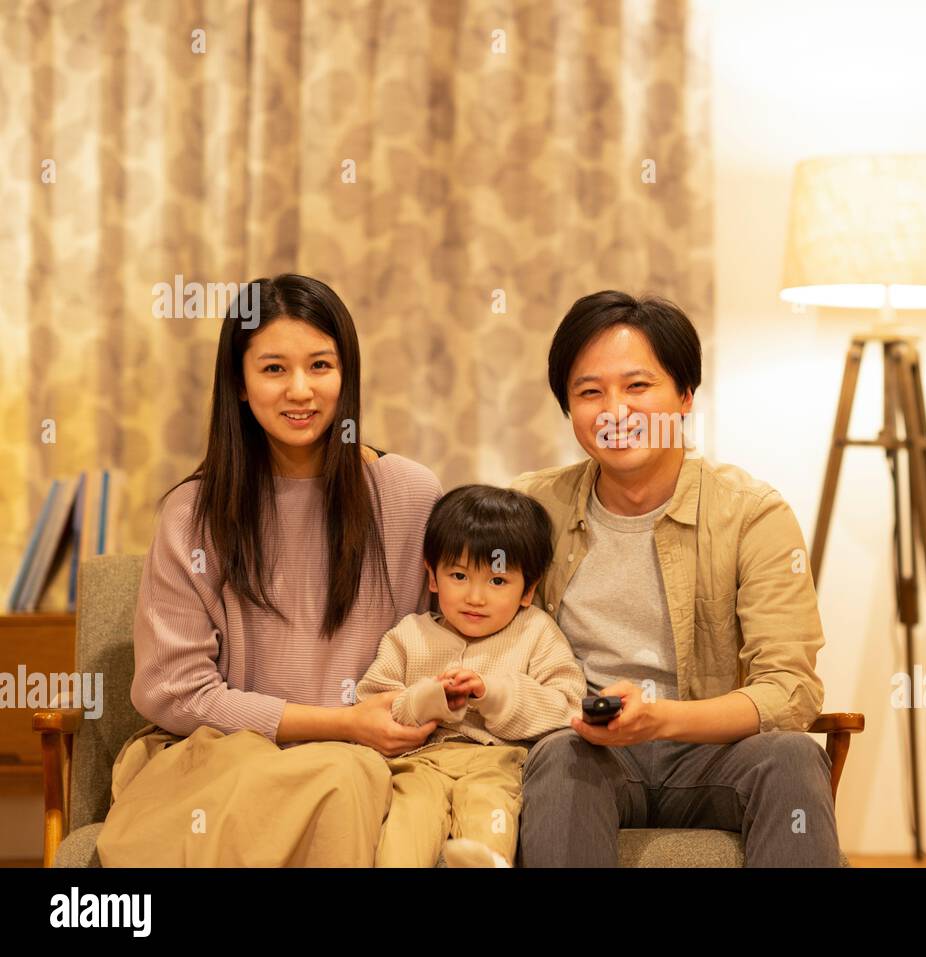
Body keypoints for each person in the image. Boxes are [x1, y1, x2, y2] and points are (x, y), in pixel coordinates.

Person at [96, 274, 442, 866]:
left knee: (345, 777)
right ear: (239, 382)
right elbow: (171, 691)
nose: (301, 391)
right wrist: (338, 724)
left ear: (347, 375)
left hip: (375, 758)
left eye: (321, 366)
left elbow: (446, 640)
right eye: (274, 369)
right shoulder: (192, 514)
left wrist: (383, 722)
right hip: (229, 751)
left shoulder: (408, 494)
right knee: (334, 774)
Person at [512, 290, 841, 867]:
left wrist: (662, 719)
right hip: (588, 752)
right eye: (590, 392)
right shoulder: (530, 507)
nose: (615, 410)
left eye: (638, 386)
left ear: (685, 396)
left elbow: (790, 688)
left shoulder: (752, 513)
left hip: (712, 752)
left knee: (790, 756)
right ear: (569, 410)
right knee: (560, 756)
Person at [356, 485, 585, 868]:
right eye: (459, 576)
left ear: (528, 589)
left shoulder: (536, 632)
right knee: (404, 827)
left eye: (497, 582)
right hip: (419, 763)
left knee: (490, 813)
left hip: (495, 763)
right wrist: (431, 698)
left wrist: (492, 693)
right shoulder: (409, 635)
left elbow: (566, 707)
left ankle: (486, 862)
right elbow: (374, 704)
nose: (475, 597)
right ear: (432, 577)